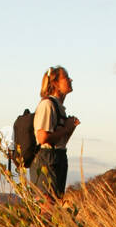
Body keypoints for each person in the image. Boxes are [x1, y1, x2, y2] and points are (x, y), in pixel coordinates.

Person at [29, 66, 80, 199]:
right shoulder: (48, 105)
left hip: (57, 157)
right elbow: (42, 137)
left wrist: (69, 129)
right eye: (66, 78)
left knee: (55, 205)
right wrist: (66, 129)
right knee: (47, 206)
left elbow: (58, 141)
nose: (70, 80)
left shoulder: (58, 106)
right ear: (55, 83)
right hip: (47, 159)